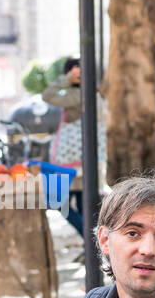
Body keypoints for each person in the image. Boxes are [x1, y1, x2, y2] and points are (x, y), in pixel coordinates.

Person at [41, 56, 106, 238]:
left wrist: (66, 80)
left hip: (73, 164)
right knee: (83, 205)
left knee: (58, 201)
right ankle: (92, 246)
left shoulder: (78, 95)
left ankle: (92, 243)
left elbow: (47, 96)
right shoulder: (94, 93)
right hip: (85, 160)